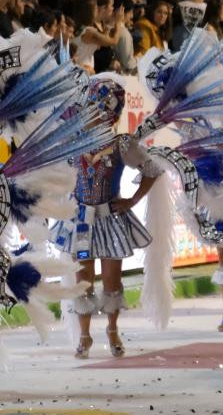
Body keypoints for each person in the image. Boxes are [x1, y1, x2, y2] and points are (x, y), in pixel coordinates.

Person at [56, 80, 164, 359]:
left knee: (112, 283)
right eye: (91, 106)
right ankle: (84, 335)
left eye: (101, 107)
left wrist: (133, 200)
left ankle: (113, 330)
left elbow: (152, 169)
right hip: (80, 222)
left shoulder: (121, 144)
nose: (94, 112)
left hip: (110, 219)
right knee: (83, 280)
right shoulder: (73, 142)